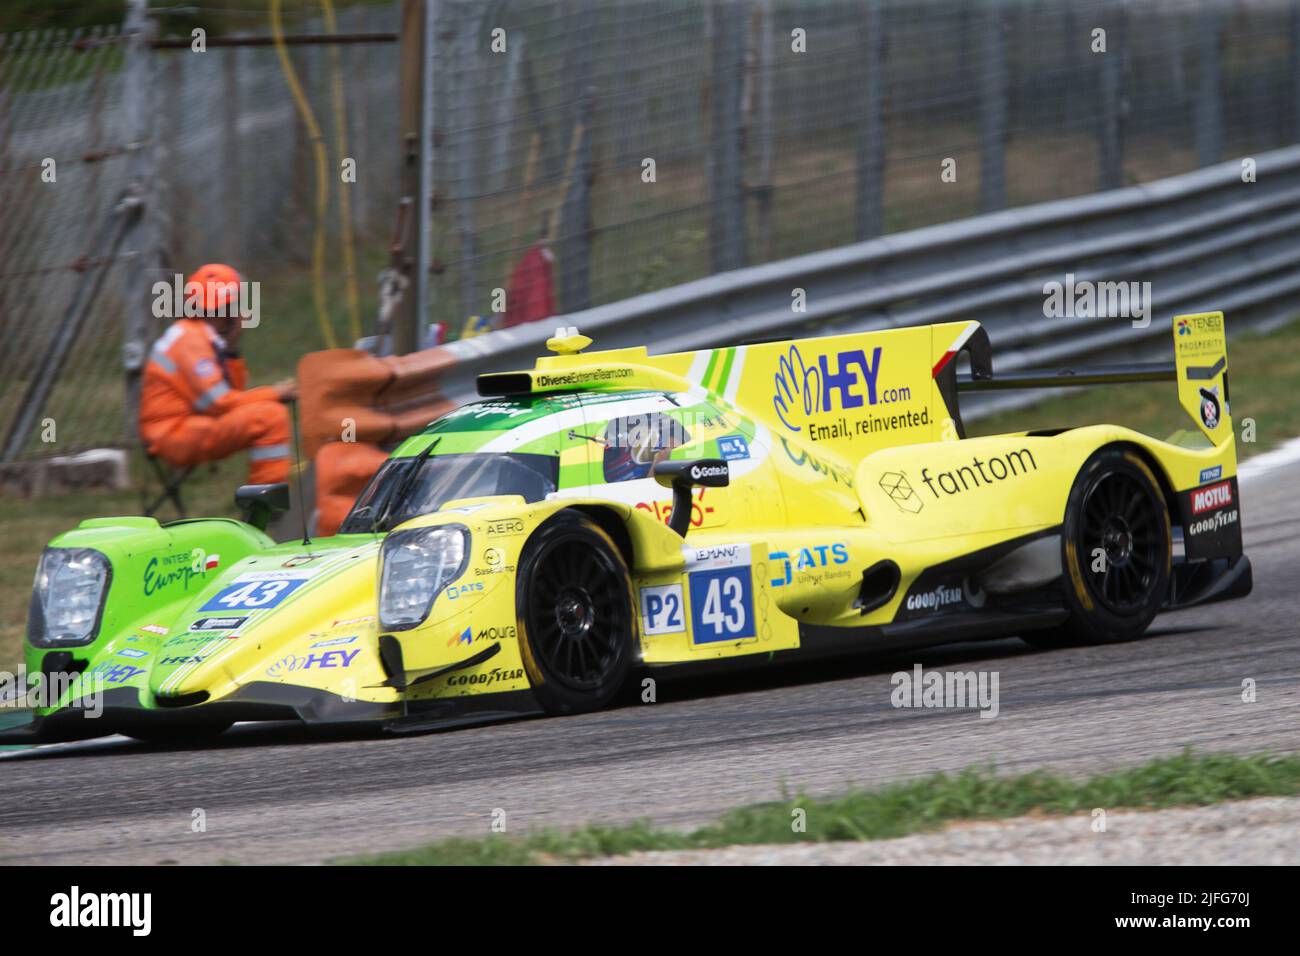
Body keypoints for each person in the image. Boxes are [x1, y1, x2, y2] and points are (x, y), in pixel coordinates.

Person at [139, 264, 296, 485]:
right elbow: (222, 403)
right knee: (271, 417)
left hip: (185, 426)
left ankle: (265, 499)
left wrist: (231, 349)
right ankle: (265, 506)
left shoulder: (198, 336)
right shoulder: (191, 341)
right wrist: (275, 393)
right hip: (173, 434)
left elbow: (234, 395)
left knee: (268, 413)